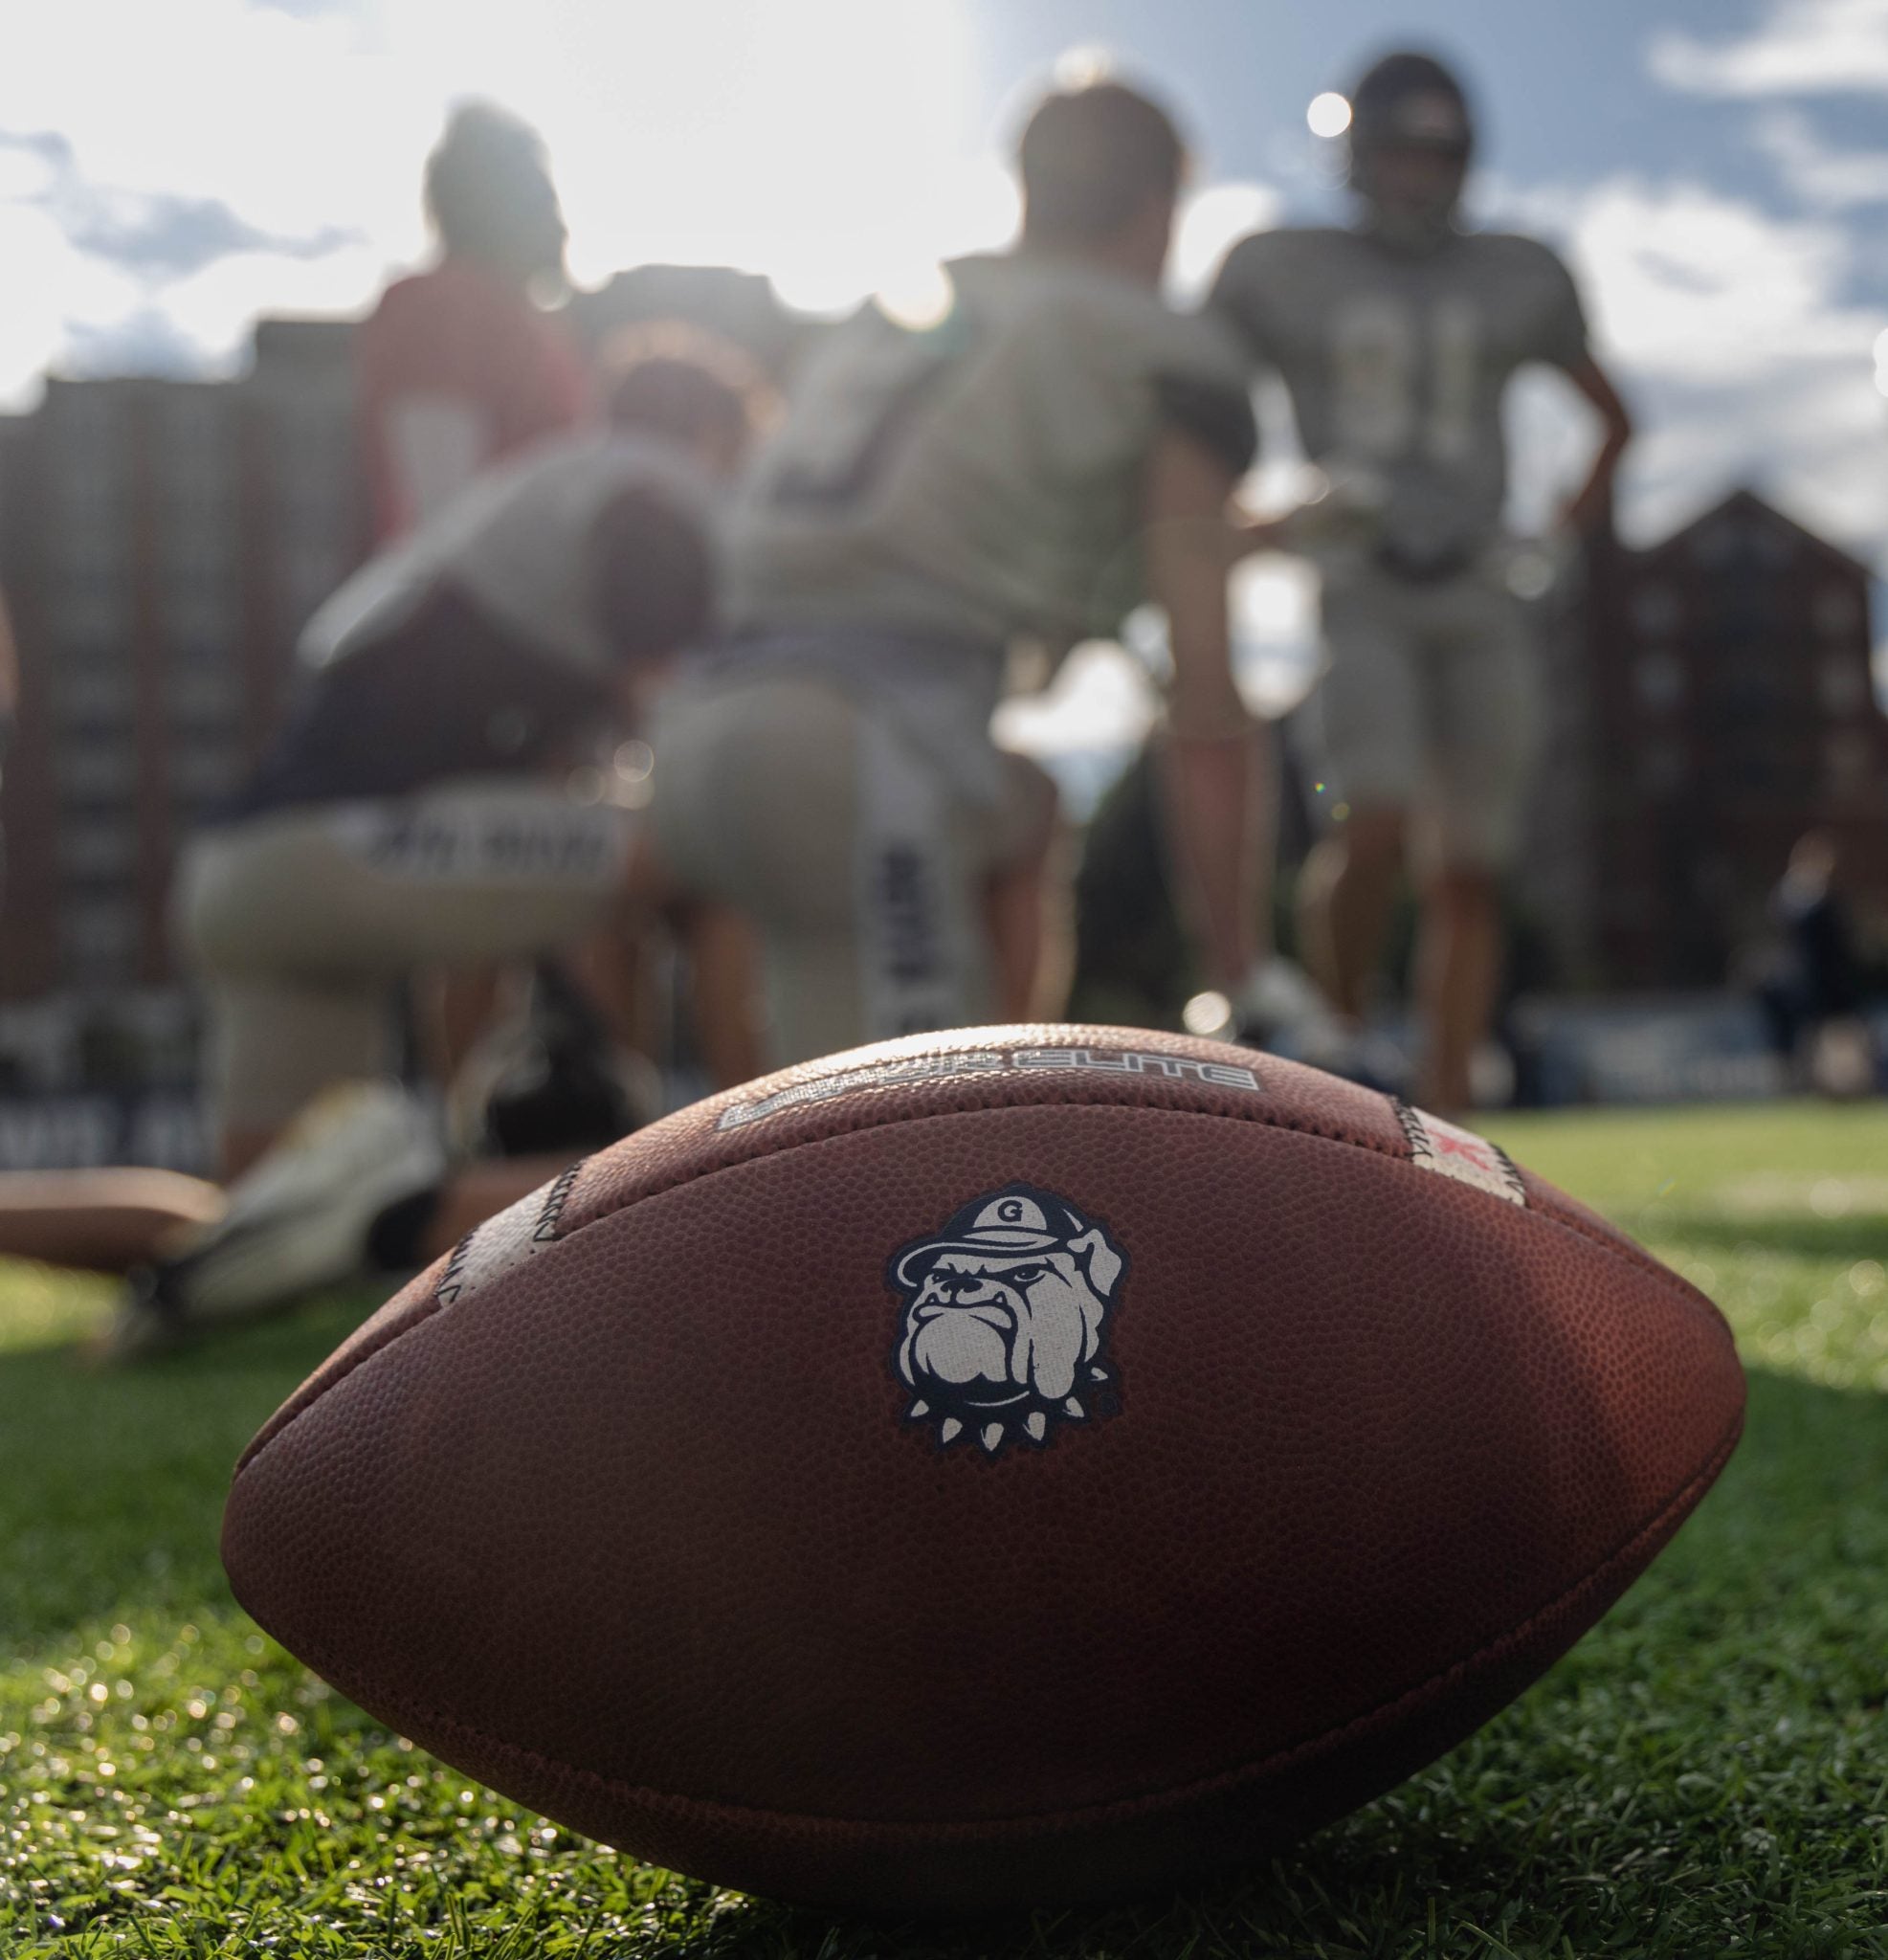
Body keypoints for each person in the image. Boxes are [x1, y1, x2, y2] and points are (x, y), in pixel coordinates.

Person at [87, 348, 761, 1356]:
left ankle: (397, 1201)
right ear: (710, 437)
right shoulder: (649, 483)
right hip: (350, 853)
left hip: (242, 878)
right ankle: (758, 1167)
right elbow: (671, 733)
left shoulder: (508, 503)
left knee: (259, 1221)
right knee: (712, 852)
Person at [650, 76, 1302, 1067]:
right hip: (858, 754)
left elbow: (920, 522)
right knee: (910, 1182)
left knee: (1024, 804)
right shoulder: (1155, 343)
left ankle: (1015, 1087)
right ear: (1165, 208)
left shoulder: (910, 305)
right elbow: (1202, 682)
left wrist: (1231, 533)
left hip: (691, 739)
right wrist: (1239, 970)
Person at [1209, 50, 1633, 1110]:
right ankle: (1342, 1046)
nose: (1417, 169)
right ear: (1355, 152)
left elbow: (1613, 418)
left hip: (1480, 586)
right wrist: (1254, 515)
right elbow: (1192, 416)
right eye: (1397, 145)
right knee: (1374, 814)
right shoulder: (1280, 265)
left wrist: (1552, 542)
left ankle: (1450, 1101)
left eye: (1437, 149)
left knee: (1473, 866)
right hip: (1359, 579)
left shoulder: (1518, 270)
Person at [358, 102, 590, 544]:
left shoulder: (534, 325)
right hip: (475, 604)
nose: (559, 222)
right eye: (542, 196)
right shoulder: (440, 305)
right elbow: (443, 511)